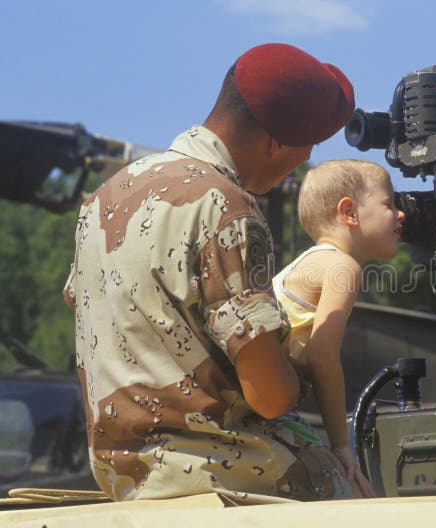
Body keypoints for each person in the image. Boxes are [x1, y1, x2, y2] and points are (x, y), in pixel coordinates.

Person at [62, 43, 357, 502]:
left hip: (126, 483)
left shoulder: (103, 200)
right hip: (226, 477)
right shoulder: (227, 208)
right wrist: (300, 362)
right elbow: (269, 397)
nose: (304, 161)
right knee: (354, 487)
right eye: (309, 146)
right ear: (276, 141)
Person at [272, 159, 404, 499]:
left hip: (267, 404)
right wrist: (341, 445)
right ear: (349, 212)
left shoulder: (310, 261)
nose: (401, 214)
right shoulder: (342, 267)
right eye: (389, 204)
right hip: (275, 416)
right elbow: (322, 355)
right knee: (357, 494)